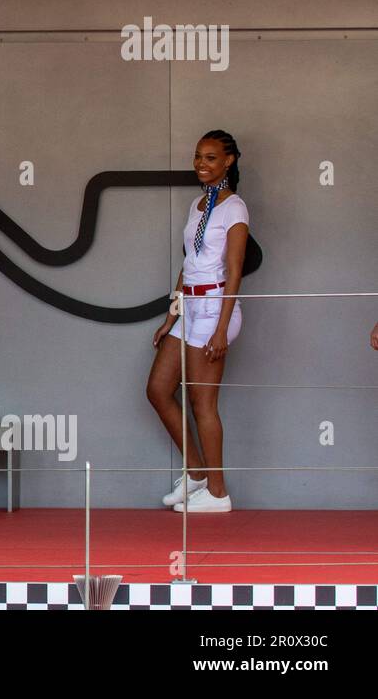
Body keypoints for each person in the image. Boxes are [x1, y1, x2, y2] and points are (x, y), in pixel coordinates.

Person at [145, 130, 249, 514]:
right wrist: (170, 313)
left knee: (202, 402)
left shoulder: (234, 208)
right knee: (158, 389)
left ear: (229, 161)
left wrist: (222, 327)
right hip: (187, 307)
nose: (201, 165)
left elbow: (235, 271)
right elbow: (189, 264)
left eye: (210, 158)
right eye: (197, 157)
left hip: (215, 309)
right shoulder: (197, 205)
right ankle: (197, 473)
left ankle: (218, 494)